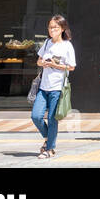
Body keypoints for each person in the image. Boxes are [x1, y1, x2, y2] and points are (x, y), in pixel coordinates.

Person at [31, 14, 76, 159]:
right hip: (44, 87)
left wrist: (55, 65)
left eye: (55, 27)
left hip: (57, 87)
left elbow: (72, 67)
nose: (52, 30)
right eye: (50, 27)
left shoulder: (67, 45)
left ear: (62, 29)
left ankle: (49, 148)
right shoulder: (47, 43)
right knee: (36, 116)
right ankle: (48, 138)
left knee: (52, 119)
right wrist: (43, 63)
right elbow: (38, 61)